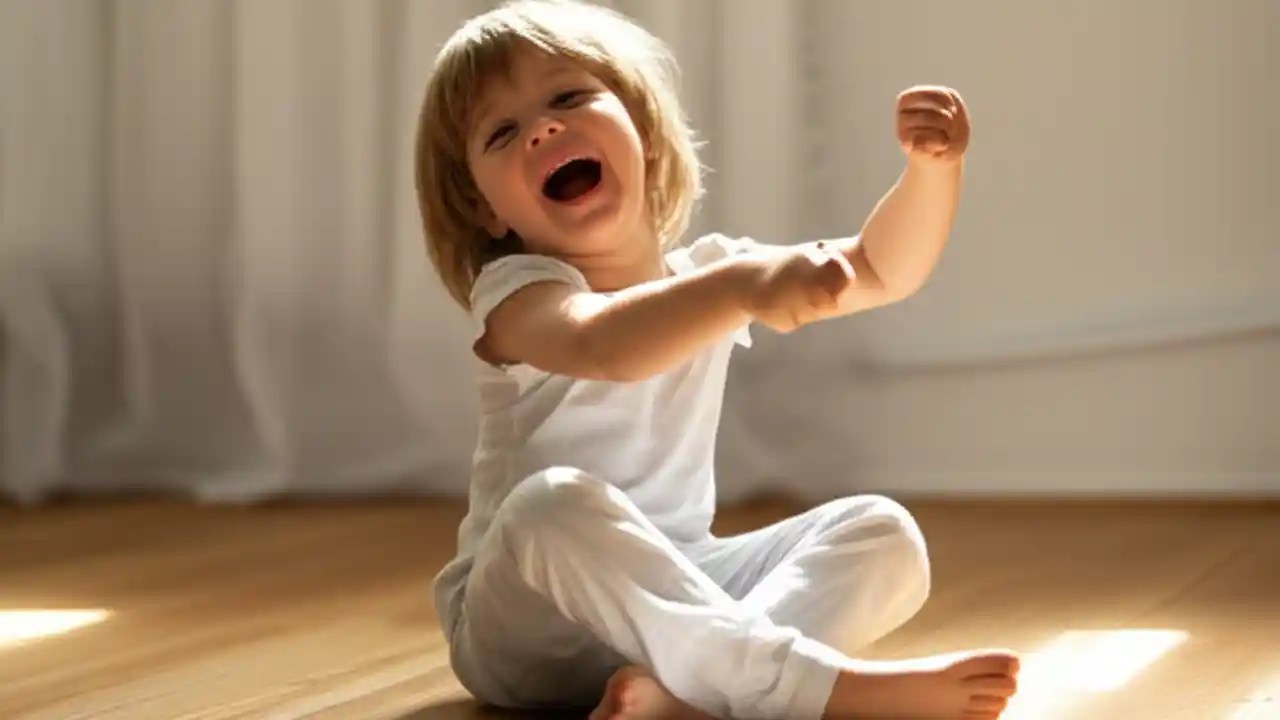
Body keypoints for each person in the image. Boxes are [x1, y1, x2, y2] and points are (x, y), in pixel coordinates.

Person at [414, 1, 1020, 718]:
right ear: (486, 211)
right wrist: (742, 288)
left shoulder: (713, 274)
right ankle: (800, 687)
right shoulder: (519, 292)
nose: (543, 128)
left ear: (643, 133)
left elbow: (880, 269)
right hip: (526, 623)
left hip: (675, 597)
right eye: (502, 132)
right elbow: (602, 344)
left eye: (569, 98)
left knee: (882, 533)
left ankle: (688, 697)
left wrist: (931, 172)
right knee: (547, 504)